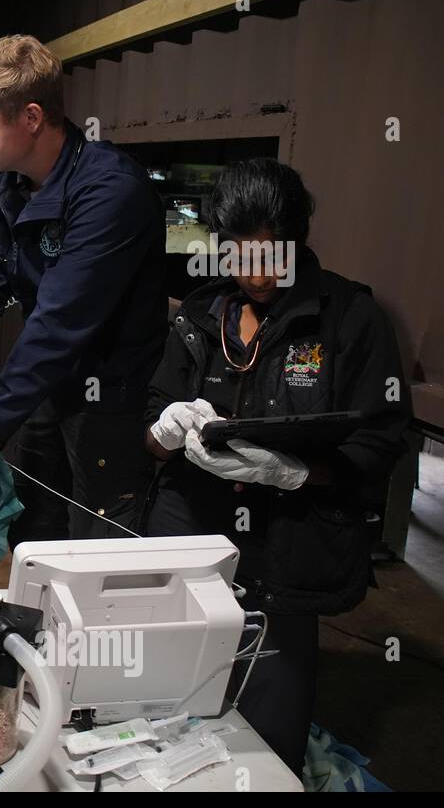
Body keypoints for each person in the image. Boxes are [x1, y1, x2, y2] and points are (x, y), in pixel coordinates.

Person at [144, 158, 411, 773]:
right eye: (238, 254)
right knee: (170, 709)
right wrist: (164, 430)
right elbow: (151, 439)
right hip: (192, 534)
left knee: (267, 730)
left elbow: (379, 445)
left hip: (287, 548)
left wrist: (294, 474)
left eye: (271, 255)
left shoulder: (348, 318)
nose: (256, 273)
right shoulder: (198, 316)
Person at [0, 35, 166, 542]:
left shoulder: (110, 191)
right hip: (52, 386)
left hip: (110, 395)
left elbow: (60, 319)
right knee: (37, 530)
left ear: (30, 118)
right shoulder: (2, 181)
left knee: (98, 546)